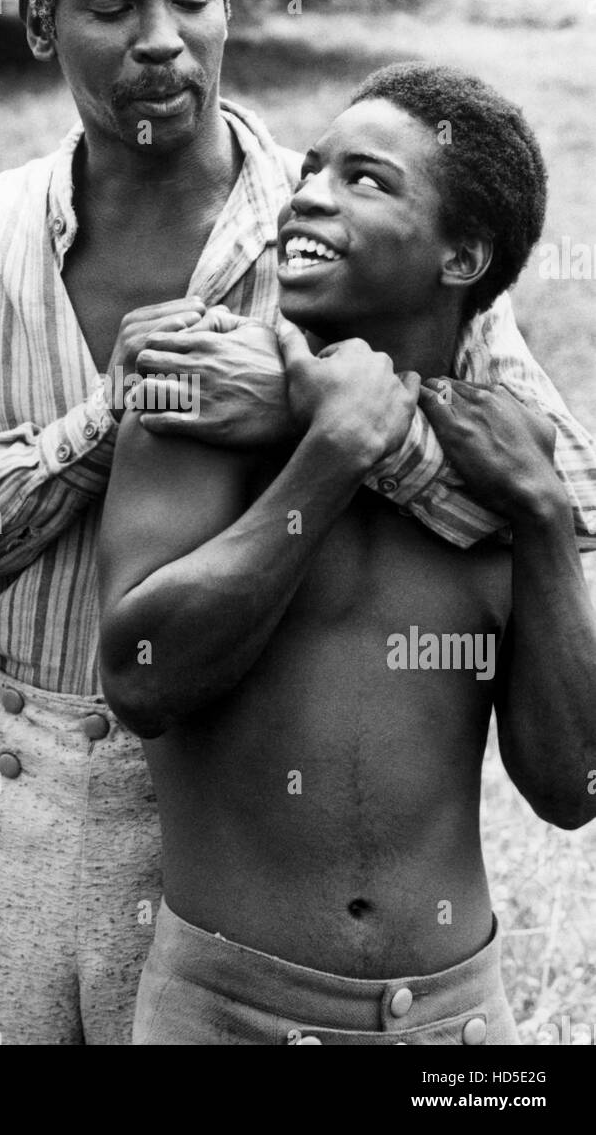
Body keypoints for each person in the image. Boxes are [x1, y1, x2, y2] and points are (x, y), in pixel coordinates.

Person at [0, 0, 596, 1045]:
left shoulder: (342, 230)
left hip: (228, 831)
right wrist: (100, 424)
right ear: (41, 24)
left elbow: (562, 489)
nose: (161, 38)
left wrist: (324, 421)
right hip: (5, 781)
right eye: (112, 4)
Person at [98, 62, 596, 1046]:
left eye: (364, 179)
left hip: (459, 1027)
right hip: (227, 1016)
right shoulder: (201, 400)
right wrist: (328, 455)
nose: (308, 193)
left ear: (460, 258)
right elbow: (141, 677)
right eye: (312, 170)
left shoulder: (508, 460)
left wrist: (540, 519)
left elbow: (570, 787)